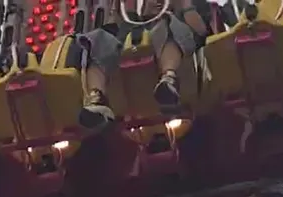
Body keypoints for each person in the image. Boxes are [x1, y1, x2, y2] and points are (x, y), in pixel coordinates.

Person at [74, 0, 210, 131]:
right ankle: (97, 98)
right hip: (131, 47)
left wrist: (185, 6)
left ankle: (169, 80)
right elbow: (112, 31)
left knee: (166, 23)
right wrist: (124, 12)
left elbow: (202, 31)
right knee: (96, 39)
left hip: (180, 50)